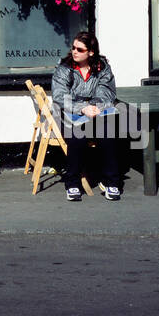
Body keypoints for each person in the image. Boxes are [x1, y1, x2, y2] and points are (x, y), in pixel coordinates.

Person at [50, 31, 123, 201]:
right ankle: (72, 184)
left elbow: (106, 91)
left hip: (94, 111)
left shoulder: (102, 67)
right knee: (77, 136)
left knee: (108, 132)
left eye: (80, 49)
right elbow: (60, 97)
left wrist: (95, 106)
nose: (74, 51)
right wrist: (82, 108)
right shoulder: (64, 68)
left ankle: (111, 182)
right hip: (69, 113)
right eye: (73, 48)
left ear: (91, 52)